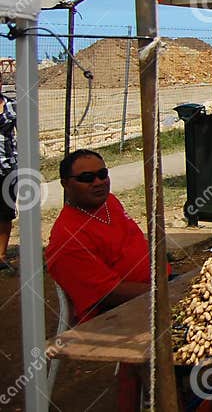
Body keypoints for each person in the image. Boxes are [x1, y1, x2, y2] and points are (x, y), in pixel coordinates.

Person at [46, 150, 167, 323]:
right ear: (65, 184)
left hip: (160, 285)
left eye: (102, 174)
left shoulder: (109, 202)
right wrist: (163, 292)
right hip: (121, 312)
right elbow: (108, 294)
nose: (98, 182)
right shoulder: (66, 238)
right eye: (87, 178)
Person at [0, 92, 16, 270]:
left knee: (5, 211)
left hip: (7, 166)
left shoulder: (12, 105)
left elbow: (23, 134)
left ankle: (1, 255)